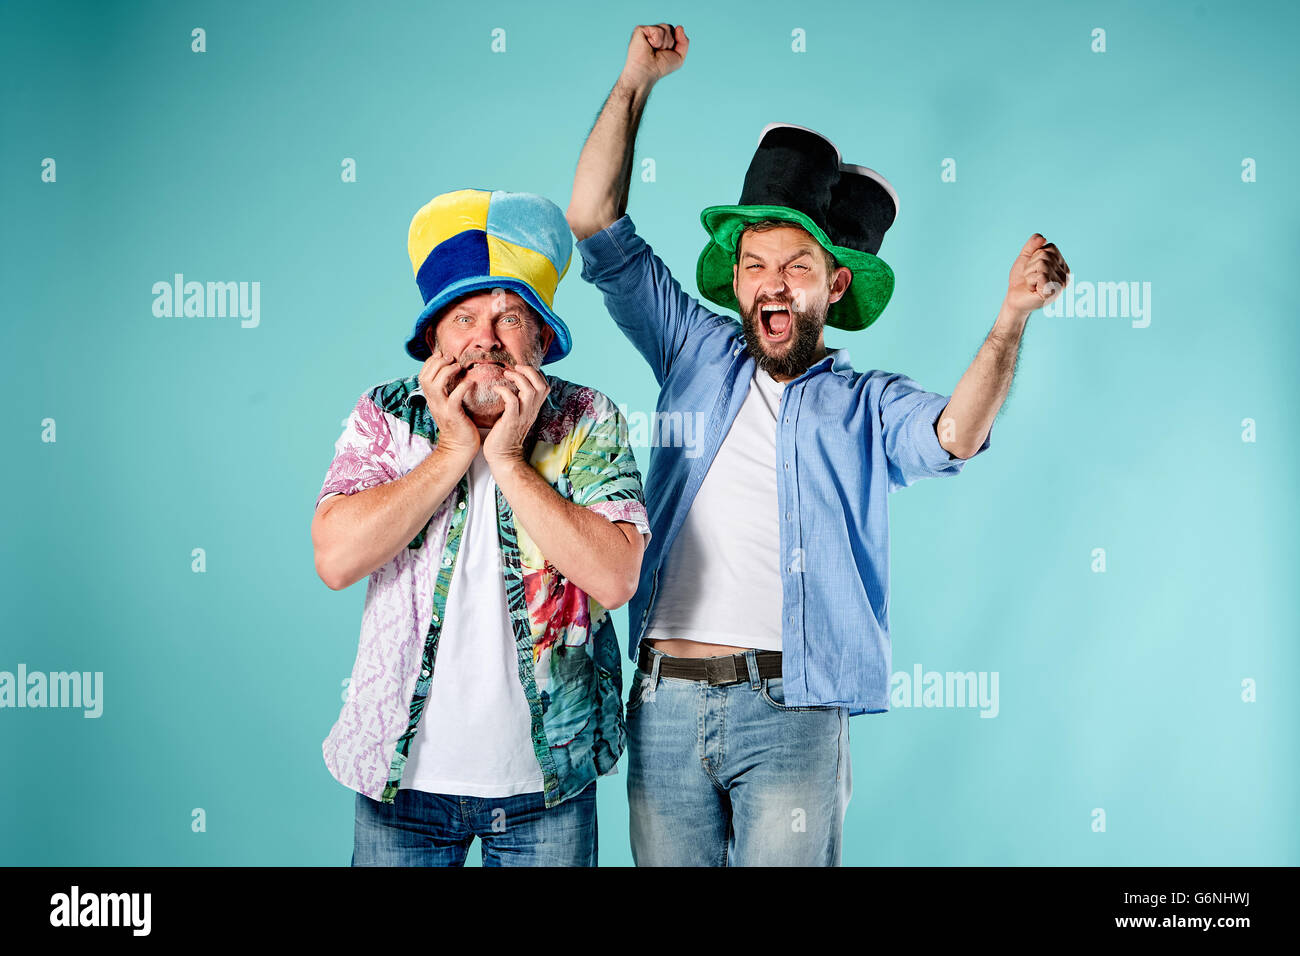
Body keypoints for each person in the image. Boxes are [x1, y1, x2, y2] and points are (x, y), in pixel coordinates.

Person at [564, 23, 1069, 866]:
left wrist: (1010, 320)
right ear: (735, 279)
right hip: (663, 704)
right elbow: (593, 220)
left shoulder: (867, 405)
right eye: (754, 263)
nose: (770, 282)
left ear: (833, 283)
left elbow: (956, 434)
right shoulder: (692, 348)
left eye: (796, 265)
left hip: (793, 712)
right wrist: (635, 82)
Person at [312, 188, 651, 866]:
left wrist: (507, 460)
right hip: (400, 786)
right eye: (462, 317)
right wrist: (452, 452)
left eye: (509, 317)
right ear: (432, 339)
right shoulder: (386, 415)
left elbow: (615, 577)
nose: (484, 340)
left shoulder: (587, 418)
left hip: (544, 787)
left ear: (543, 340)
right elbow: (336, 559)